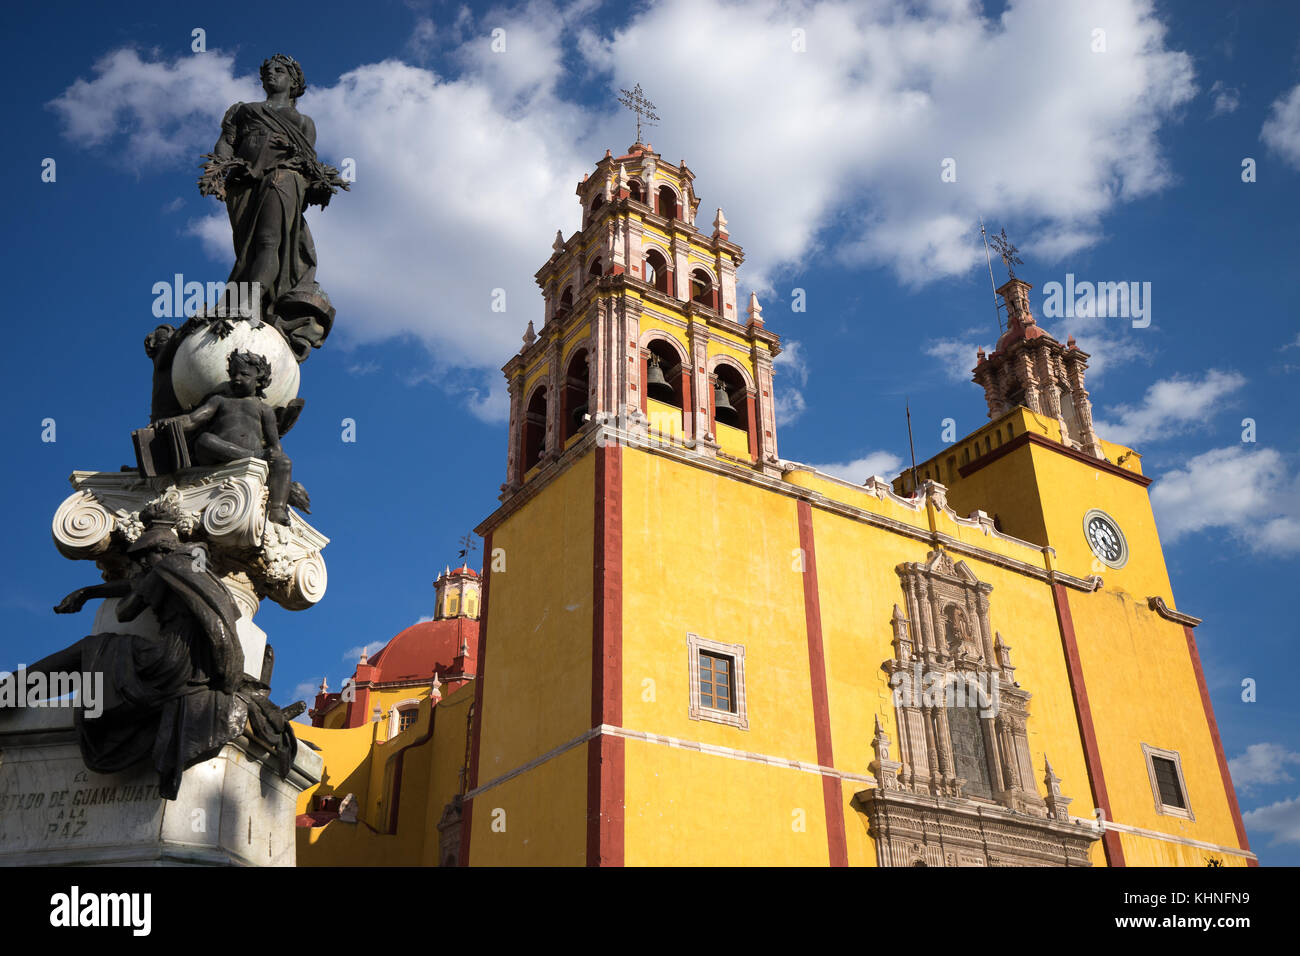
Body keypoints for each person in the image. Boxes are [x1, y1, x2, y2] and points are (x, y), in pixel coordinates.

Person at [198, 53, 347, 361]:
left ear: (294, 81)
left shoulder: (304, 122)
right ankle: (247, 295)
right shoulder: (244, 110)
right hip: (245, 185)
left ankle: (248, 302)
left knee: (269, 241)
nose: (271, 74)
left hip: (285, 179)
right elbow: (226, 142)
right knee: (248, 249)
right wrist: (225, 166)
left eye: (279, 70)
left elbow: (308, 161)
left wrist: (317, 181)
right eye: (267, 71)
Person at [158, 350, 309, 525]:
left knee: (284, 462)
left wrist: (274, 455)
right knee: (206, 439)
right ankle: (253, 457)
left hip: (253, 455)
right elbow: (193, 419)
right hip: (216, 456)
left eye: (244, 374)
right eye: (234, 374)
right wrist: (169, 423)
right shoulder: (220, 400)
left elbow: (275, 444)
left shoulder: (264, 409)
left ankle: (277, 508)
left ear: (259, 379)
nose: (237, 378)